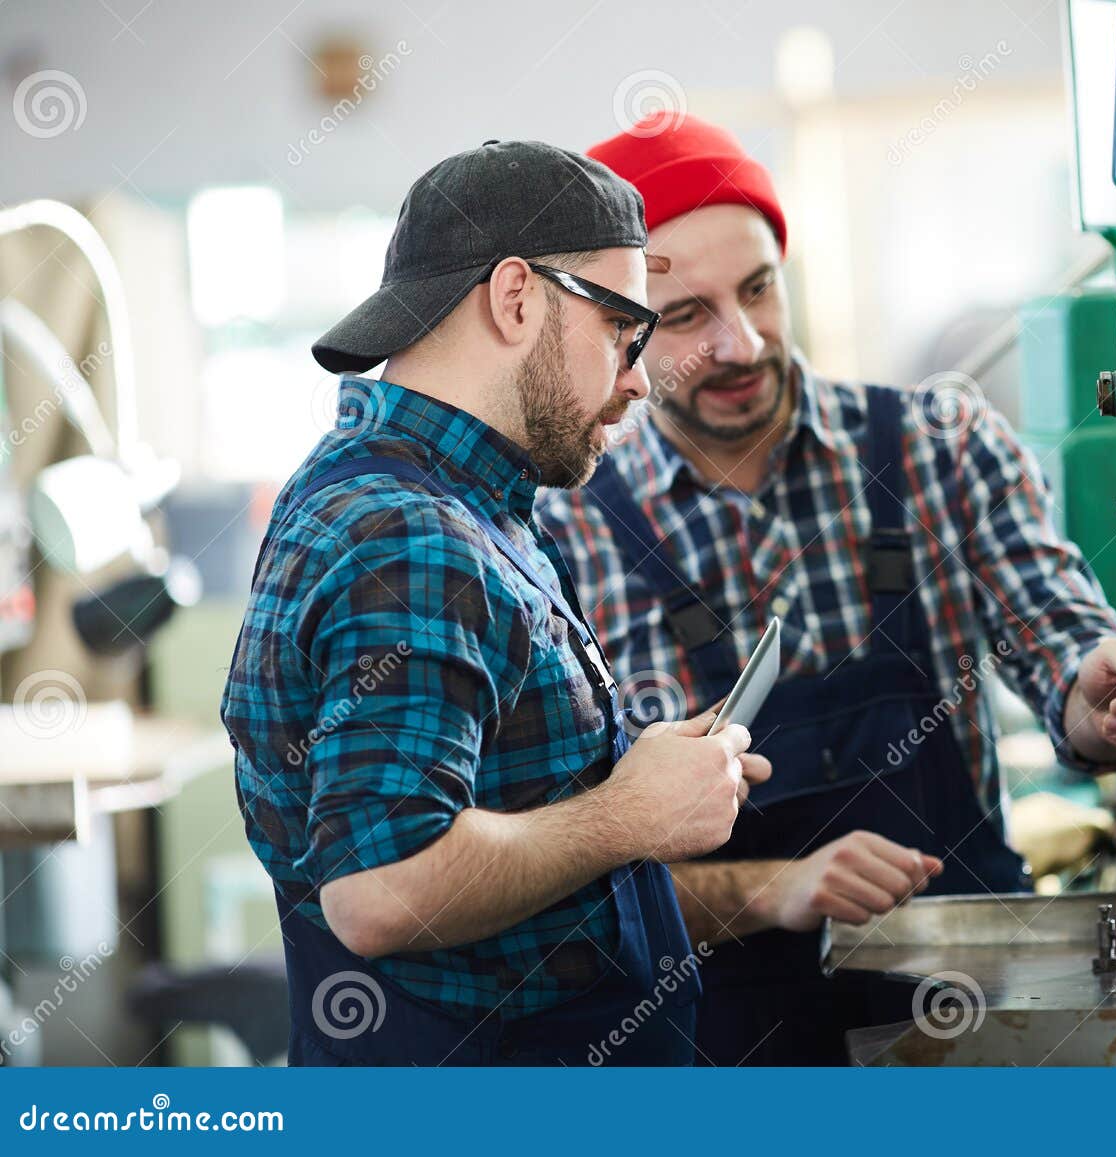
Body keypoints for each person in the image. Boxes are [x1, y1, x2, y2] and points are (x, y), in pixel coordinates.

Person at [538, 114, 1116, 1065]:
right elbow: (583, 881)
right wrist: (781, 882)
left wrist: (1099, 695)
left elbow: (1062, 644)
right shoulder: (569, 536)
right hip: (726, 1049)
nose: (743, 345)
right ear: (622, 331)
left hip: (972, 1021)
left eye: (758, 290)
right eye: (689, 316)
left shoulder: (938, 447)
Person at [221, 139, 769, 1066]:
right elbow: (381, 888)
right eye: (622, 332)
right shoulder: (412, 537)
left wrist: (626, 777)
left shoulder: (448, 497)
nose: (639, 376)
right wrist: (626, 817)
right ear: (517, 298)